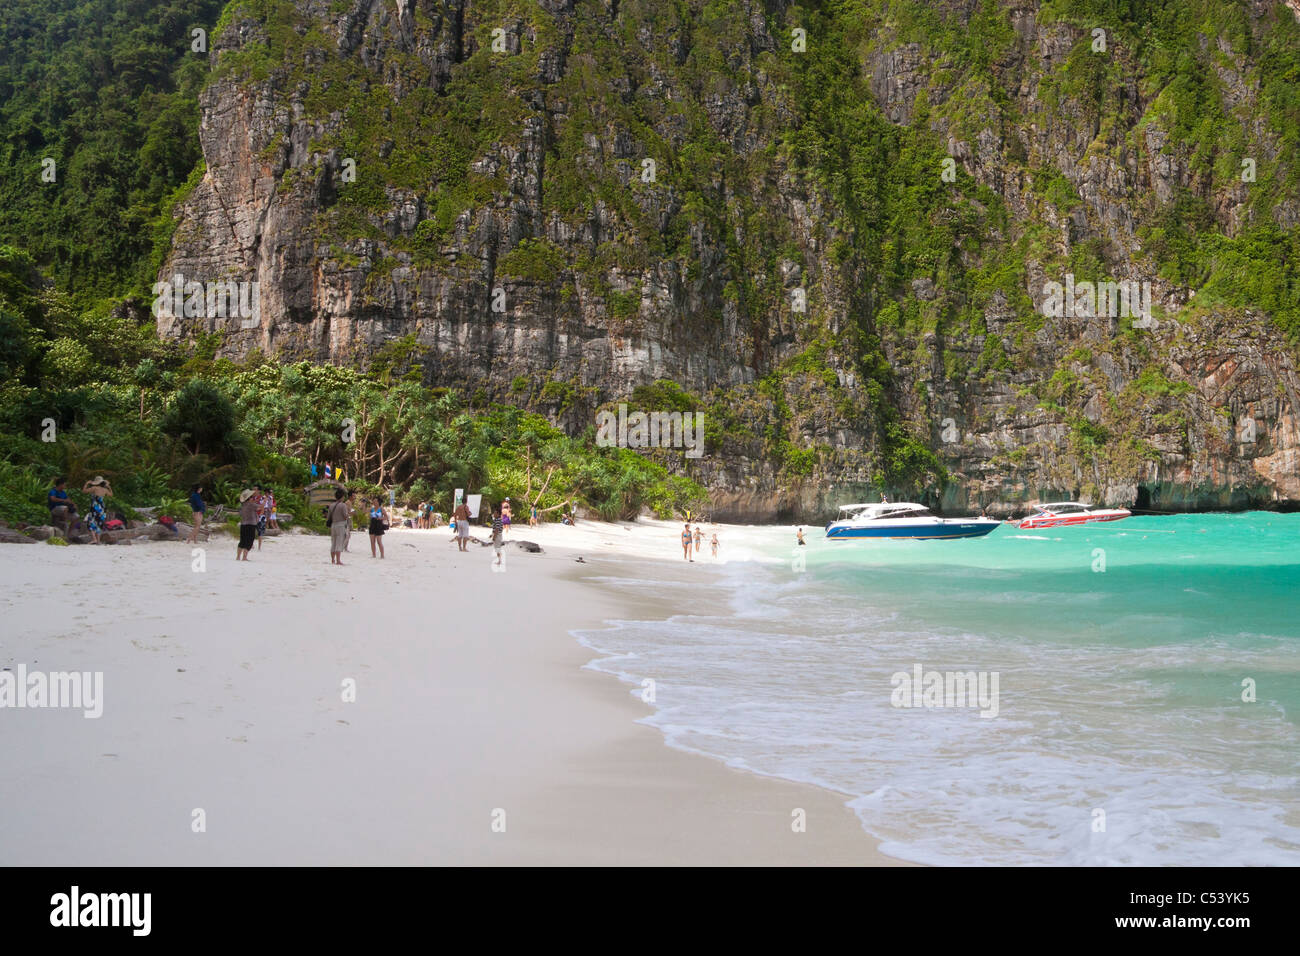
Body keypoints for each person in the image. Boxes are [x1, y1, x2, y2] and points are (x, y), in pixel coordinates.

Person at [327, 489, 350, 564]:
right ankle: (338, 560)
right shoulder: (343, 505)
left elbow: (328, 517)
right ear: (342, 497)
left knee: (333, 542)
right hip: (341, 525)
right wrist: (350, 514)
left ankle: (332, 559)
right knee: (339, 542)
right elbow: (345, 516)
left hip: (333, 525)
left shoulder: (331, 505)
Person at [236, 489, 258, 560]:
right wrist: (265, 501)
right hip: (251, 524)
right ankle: (244, 557)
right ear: (250, 498)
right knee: (249, 541)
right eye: (252, 497)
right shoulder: (251, 504)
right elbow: (260, 507)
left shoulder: (243, 505)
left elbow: (240, 514)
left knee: (242, 541)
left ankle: (238, 556)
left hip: (243, 524)